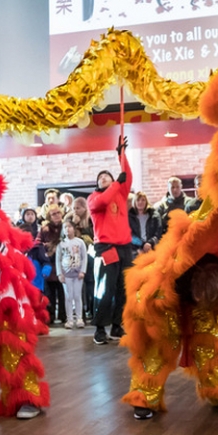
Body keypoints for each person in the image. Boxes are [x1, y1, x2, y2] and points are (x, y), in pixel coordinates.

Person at [89, 135, 133, 345]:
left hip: (124, 247)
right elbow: (105, 198)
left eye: (108, 176)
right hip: (106, 247)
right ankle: (99, 328)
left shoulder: (120, 194)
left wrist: (121, 154)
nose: (105, 178)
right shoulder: (94, 198)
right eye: (102, 177)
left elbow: (127, 175)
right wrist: (116, 182)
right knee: (105, 289)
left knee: (123, 289)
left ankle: (117, 325)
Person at [55, 219, 86, 329]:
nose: (67, 229)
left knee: (77, 296)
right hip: (66, 274)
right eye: (65, 227)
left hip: (77, 274)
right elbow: (58, 260)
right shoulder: (61, 245)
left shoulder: (80, 242)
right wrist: (60, 273)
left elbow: (84, 257)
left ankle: (79, 318)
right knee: (68, 297)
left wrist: (83, 270)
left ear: (74, 228)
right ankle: (69, 319)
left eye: (69, 226)